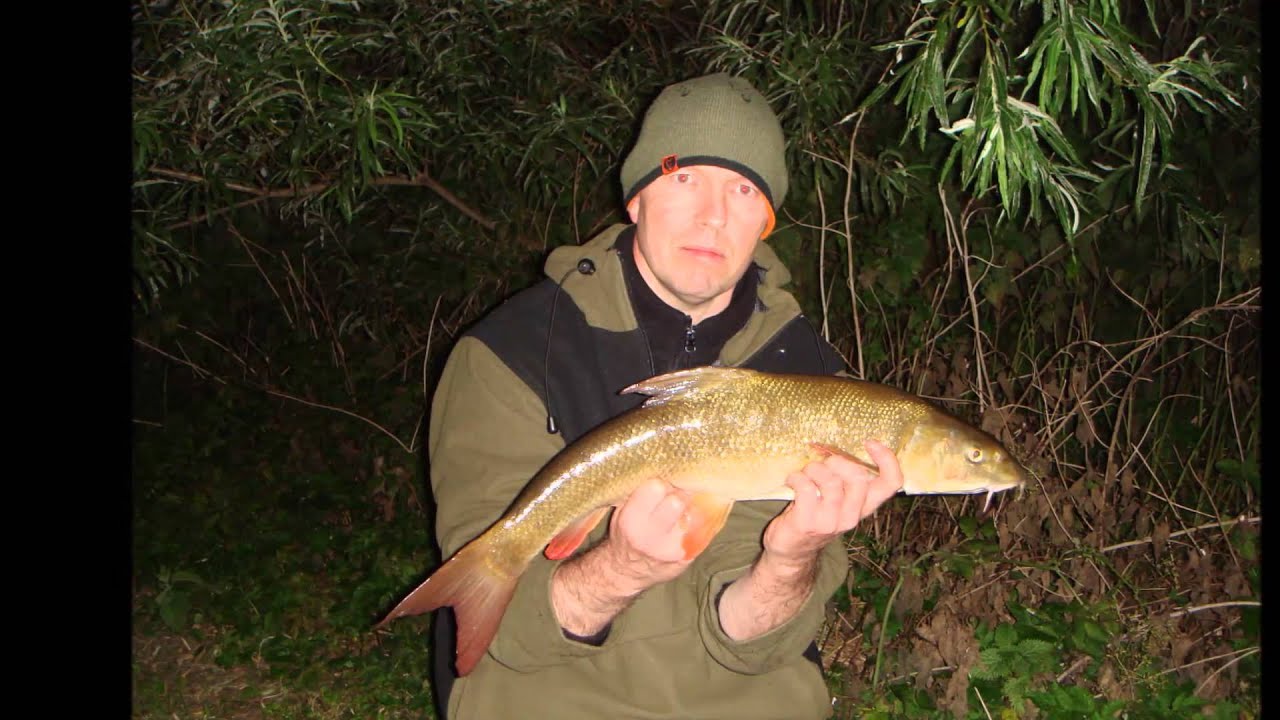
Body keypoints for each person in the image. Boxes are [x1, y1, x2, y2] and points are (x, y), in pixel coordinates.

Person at [423, 72, 905, 720]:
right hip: (554, 694)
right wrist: (622, 567)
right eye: (685, 179)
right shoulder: (511, 353)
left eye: (742, 190)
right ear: (638, 197)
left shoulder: (810, 380)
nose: (713, 215)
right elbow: (510, 638)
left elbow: (757, 641)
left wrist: (792, 556)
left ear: (765, 223)